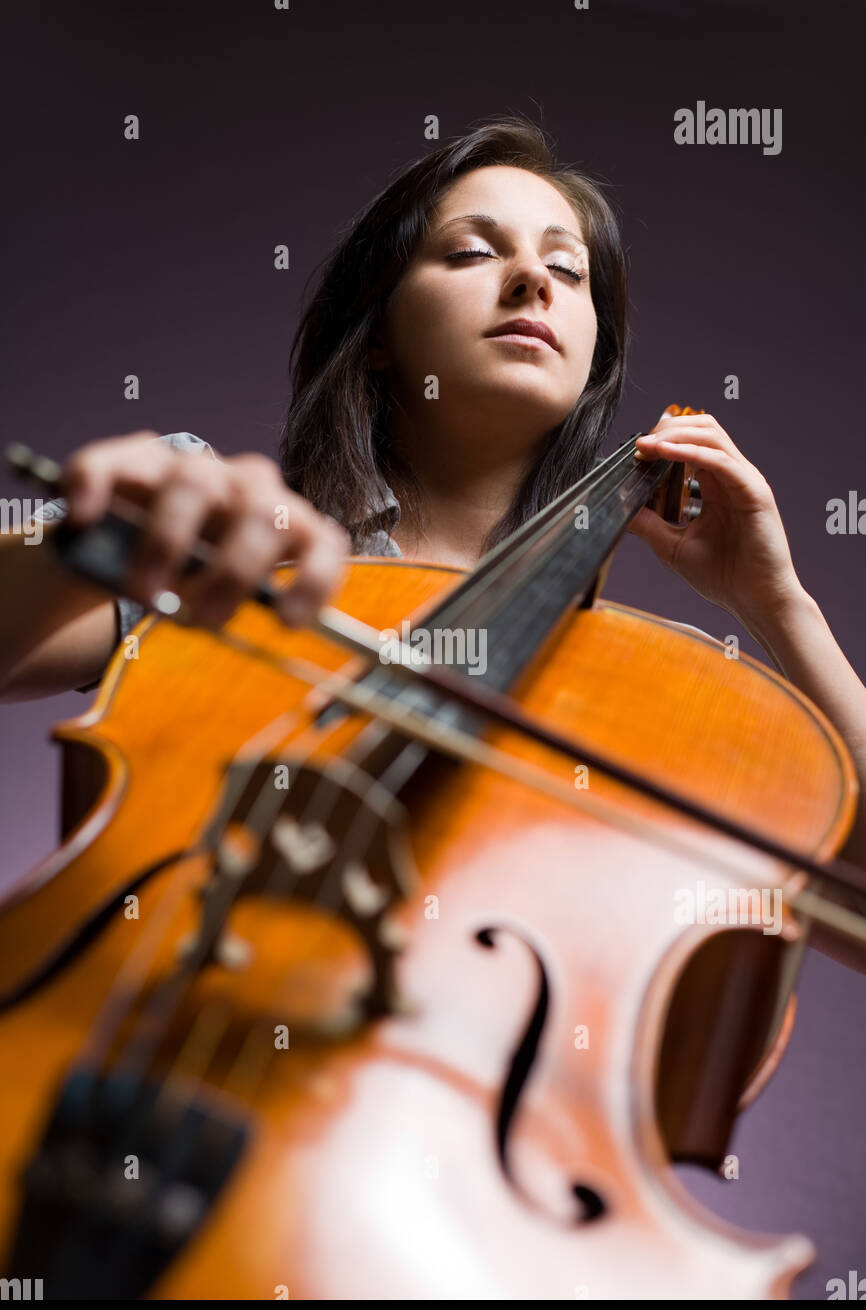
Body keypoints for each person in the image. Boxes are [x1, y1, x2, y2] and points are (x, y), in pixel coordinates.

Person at [1, 117, 865, 965]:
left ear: (594, 357)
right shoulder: (231, 551)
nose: (535, 279)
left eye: (569, 269)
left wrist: (782, 608)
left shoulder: (639, 693)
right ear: (377, 335)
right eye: (472, 251)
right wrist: (89, 538)